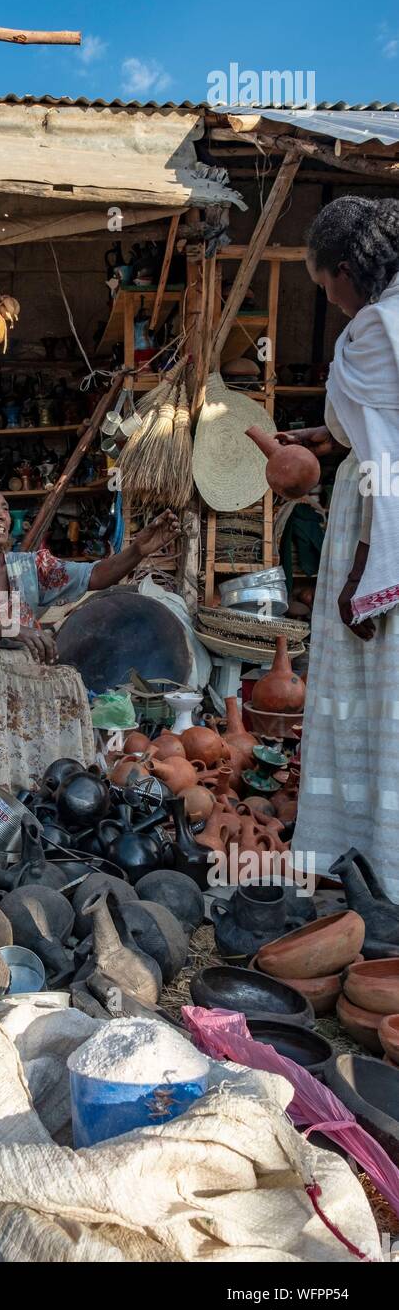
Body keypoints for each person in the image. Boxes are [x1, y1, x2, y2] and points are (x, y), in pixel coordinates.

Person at [0, 483, 180, 801]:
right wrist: (5, 630)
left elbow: (93, 576)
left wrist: (137, 550)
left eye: (3, 507)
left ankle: (55, 788)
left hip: (18, 671)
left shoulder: (29, 567)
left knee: (68, 679)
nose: (2, 515)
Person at [288, 195, 399, 899]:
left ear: (350, 270)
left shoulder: (374, 333)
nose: (330, 301)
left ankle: (370, 864)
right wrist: (329, 439)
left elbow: (386, 458)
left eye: (326, 285)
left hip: (379, 523)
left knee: (372, 690)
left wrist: (364, 569)